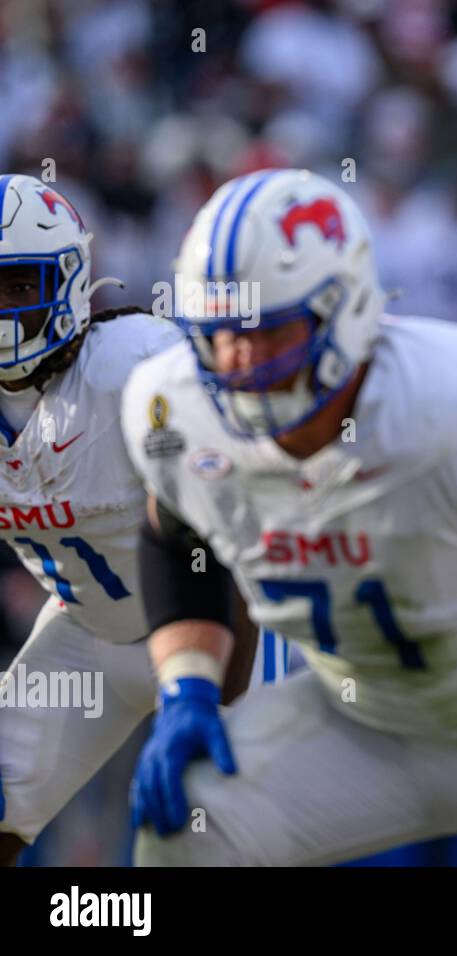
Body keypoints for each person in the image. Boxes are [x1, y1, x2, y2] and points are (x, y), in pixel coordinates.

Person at [125, 168, 457, 866]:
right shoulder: (173, 406)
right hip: (364, 720)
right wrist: (188, 689)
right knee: (190, 818)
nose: (243, 361)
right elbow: (173, 537)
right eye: (222, 333)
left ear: (344, 310)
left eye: (271, 331)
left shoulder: (449, 405)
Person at [0, 173, 201, 865]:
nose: (0, 310)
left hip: (220, 629)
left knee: (237, 834)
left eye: (17, 287)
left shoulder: (134, 365)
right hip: (85, 635)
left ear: (66, 280)